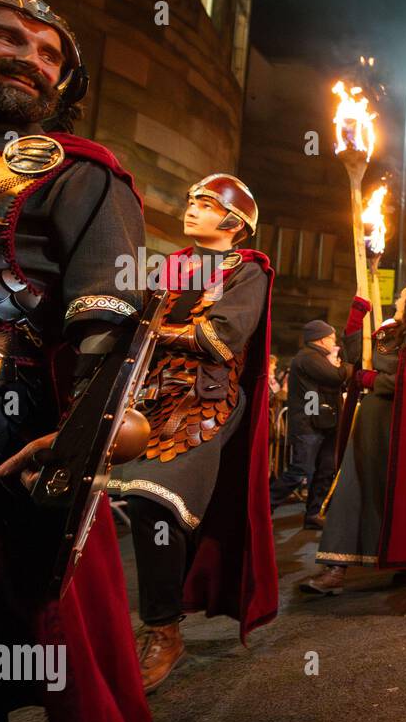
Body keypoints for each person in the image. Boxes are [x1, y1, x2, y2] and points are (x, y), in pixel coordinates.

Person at [0, 0, 154, 722]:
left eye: (48, 54)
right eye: (6, 37)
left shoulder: (80, 172)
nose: (30, 60)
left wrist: (99, 430)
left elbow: (107, 322)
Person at [108, 174, 278, 692]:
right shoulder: (166, 266)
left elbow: (220, 336)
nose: (192, 209)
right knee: (85, 499)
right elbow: (122, 312)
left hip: (204, 399)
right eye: (191, 202)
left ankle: (162, 631)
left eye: (205, 205)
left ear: (233, 222)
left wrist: (151, 330)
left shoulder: (248, 271)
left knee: (154, 499)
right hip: (141, 394)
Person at [302, 283, 406, 593]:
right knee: (351, 487)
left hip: (401, 428)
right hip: (370, 422)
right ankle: (335, 569)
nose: (398, 299)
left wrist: (370, 379)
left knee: (399, 495)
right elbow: (353, 357)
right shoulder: (387, 331)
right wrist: (357, 315)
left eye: (403, 296)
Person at [269, 319, 347, 529]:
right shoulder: (309, 357)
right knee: (300, 469)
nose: (334, 341)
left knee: (325, 469)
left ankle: (314, 513)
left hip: (322, 423)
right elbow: (335, 377)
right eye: (331, 337)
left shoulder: (318, 357)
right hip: (308, 425)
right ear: (320, 340)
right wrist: (348, 366)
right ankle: (265, 508)